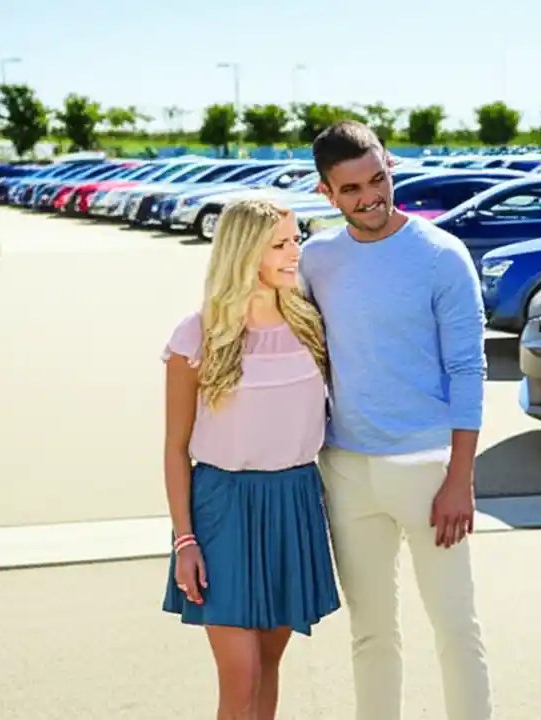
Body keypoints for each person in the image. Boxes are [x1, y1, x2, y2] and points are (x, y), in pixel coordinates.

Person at [298, 120, 492, 720]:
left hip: (428, 470)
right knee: (370, 632)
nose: (370, 197)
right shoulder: (316, 258)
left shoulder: (440, 255)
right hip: (347, 469)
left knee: (455, 627)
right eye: (351, 188)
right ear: (327, 193)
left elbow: (468, 368)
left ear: (390, 167)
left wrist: (461, 477)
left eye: (377, 179)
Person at [160, 198, 341, 720]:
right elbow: (174, 447)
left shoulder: (311, 325)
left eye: (296, 239)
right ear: (245, 253)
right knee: (239, 679)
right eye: (281, 243)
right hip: (222, 509)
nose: (295, 252)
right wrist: (184, 538)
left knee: (267, 667)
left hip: (294, 502)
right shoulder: (196, 336)